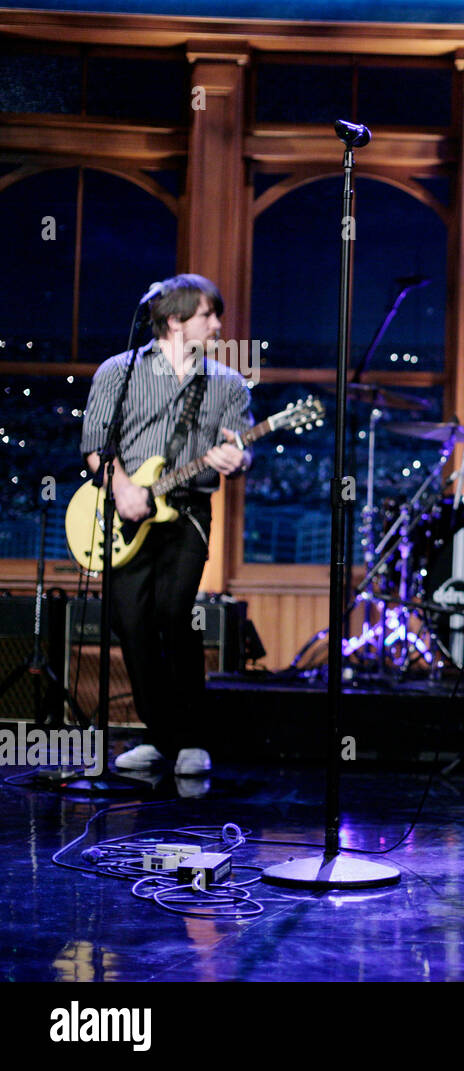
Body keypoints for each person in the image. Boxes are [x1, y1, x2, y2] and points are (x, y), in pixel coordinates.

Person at [80, 274, 253, 779]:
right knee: (130, 624)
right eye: (207, 315)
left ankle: (191, 739)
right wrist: (123, 489)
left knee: (174, 616)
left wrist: (236, 459)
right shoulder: (119, 371)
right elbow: (94, 446)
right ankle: (159, 736)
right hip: (123, 511)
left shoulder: (228, 383)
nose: (218, 325)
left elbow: (241, 450)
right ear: (175, 320)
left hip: (188, 513)